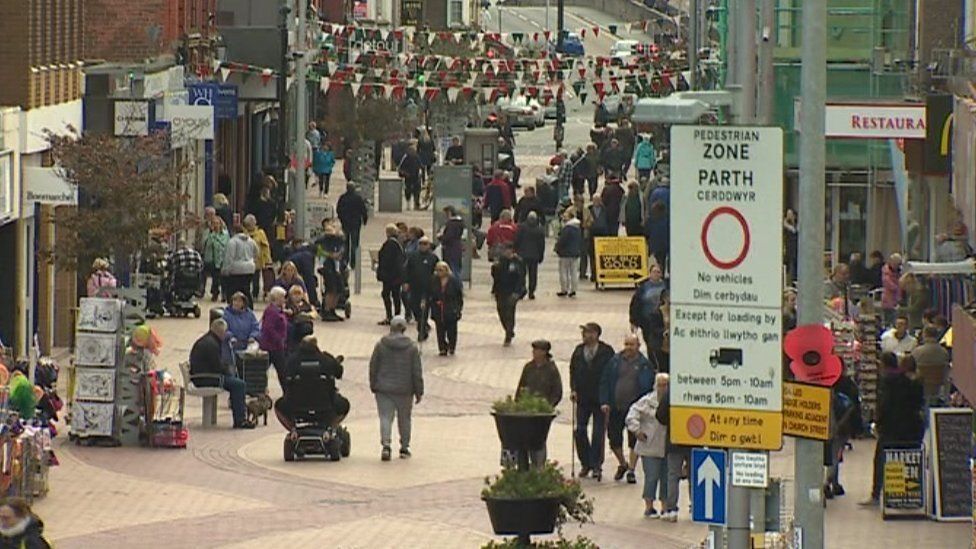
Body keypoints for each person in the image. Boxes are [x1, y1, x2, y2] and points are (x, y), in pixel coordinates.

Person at [859, 352, 925, 506]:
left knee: (881, 459)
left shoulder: (887, 382)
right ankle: (907, 495)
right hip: (912, 429)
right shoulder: (915, 383)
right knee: (908, 460)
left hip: (890, 428)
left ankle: (876, 494)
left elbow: (884, 406)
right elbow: (919, 404)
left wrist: (877, 422)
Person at [600, 334, 654, 484]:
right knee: (614, 439)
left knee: (634, 440)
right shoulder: (615, 361)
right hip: (616, 406)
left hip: (635, 409)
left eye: (632, 344)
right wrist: (604, 401)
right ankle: (622, 463)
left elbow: (649, 386)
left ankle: (631, 469)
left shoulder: (644, 364)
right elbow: (604, 381)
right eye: (626, 344)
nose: (628, 348)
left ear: (638, 345)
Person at [369, 316, 424, 461]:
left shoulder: (381, 345)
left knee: (385, 417)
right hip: (405, 389)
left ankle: (386, 445)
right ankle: (404, 448)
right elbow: (416, 371)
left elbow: (373, 366)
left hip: (384, 388)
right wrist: (419, 391)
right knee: (404, 419)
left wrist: (373, 384)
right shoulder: (412, 348)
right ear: (404, 329)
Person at [274, 335, 348, 436]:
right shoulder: (326, 359)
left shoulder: (292, 361)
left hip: (296, 407)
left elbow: (285, 376)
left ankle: (293, 429)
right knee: (345, 405)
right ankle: (331, 427)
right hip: (326, 407)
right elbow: (339, 372)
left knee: (278, 406)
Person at [570, 322, 615, 481]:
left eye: (589, 332)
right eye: (584, 333)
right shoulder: (578, 351)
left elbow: (611, 375)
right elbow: (573, 372)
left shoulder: (606, 351)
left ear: (596, 334)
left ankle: (596, 465)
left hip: (600, 399)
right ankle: (585, 462)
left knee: (598, 433)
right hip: (583, 398)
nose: (586, 336)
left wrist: (609, 397)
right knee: (580, 430)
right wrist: (573, 389)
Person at [189, 318, 253, 429]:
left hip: (201, 376)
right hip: (206, 378)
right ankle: (240, 420)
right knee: (239, 385)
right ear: (221, 332)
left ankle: (240, 417)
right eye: (225, 332)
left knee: (235, 382)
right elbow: (217, 366)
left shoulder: (208, 340)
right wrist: (228, 370)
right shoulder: (212, 344)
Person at [626, 373, 669, 518]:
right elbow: (631, 416)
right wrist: (637, 431)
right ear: (655, 385)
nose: (663, 388)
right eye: (661, 384)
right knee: (651, 477)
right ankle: (649, 507)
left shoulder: (673, 401)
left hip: (667, 447)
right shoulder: (646, 401)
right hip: (649, 447)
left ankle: (665, 507)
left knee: (666, 478)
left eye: (666, 384)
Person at [513, 340, 563, 464]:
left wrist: (548, 406)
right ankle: (524, 465)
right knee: (524, 438)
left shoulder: (551, 369)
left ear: (545, 352)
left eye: (538, 350)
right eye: (534, 350)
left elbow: (557, 391)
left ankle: (539, 465)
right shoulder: (529, 367)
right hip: (526, 409)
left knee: (539, 439)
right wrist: (517, 404)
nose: (535, 353)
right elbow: (521, 387)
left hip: (542, 412)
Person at [404, 236, 438, 341]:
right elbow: (406, 269)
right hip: (414, 287)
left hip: (427, 289)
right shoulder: (412, 256)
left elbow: (436, 272)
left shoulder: (433, 258)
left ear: (429, 245)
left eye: (425, 244)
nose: (423, 246)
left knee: (424, 310)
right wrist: (406, 282)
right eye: (421, 244)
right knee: (413, 305)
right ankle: (421, 323)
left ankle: (422, 331)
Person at [491, 243, 526, 346]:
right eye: (505, 250)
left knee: (510, 312)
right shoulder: (500, 261)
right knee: (501, 311)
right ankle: (508, 329)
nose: (507, 252)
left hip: (512, 291)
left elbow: (521, 277)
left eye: (509, 250)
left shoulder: (517, 261)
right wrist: (495, 267)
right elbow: (495, 276)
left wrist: (518, 291)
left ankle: (508, 334)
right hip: (500, 291)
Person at [429, 261, 464, 356]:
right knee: (440, 330)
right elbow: (430, 293)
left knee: (451, 330)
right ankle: (442, 348)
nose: (439, 272)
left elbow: (459, 296)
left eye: (441, 270)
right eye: (437, 270)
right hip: (438, 308)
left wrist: (458, 308)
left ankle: (452, 346)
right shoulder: (434, 280)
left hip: (450, 308)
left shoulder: (453, 281)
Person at [629, 265, 667, 352]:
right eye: (654, 272)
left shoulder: (666, 286)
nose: (656, 274)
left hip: (663, 322)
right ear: (650, 273)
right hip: (647, 322)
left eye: (658, 272)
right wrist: (633, 322)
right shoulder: (643, 288)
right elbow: (635, 305)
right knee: (650, 345)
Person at [315, 221, 347, 322]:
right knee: (331, 289)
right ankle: (327, 310)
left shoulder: (339, 239)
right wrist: (330, 255)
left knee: (339, 289)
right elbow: (318, 250)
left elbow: (342, 247)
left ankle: (332, 309)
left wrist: (340, 253)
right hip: (327, 265)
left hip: (337, 264)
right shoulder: (323, 239)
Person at [911, 326, 951, 405]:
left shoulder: (917, 352)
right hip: (938, 387)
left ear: (924, 335)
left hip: (921, 387)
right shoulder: (944, 353)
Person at [222, 224, 258, 308]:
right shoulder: (251, 241)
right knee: (246, 289)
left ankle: (233, 307)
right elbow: (256, 252)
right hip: (250, 269)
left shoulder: (232, 242)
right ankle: (249, 306)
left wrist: (225, 270)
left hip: (236, 270)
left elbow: (229, 257)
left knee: (233, 290)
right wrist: (251, 260)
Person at [221, 291, 261, 365]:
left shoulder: (250, 314)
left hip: (247, 345)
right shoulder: (227, 314)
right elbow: (224, 329)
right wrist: (231, 336)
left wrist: (252, 336)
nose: (236, 303)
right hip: (232, 346)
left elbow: (256, 327)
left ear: (243, 303)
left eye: (239, 301)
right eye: (234, 300)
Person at [377, 224, 406, 325]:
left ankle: (391, 316)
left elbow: (387, 260)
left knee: (388, 294)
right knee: (395, 295)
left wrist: (382, 272)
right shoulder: (398, 244)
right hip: (395, 275)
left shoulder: (390, 244)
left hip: (390, 276)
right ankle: (396, 315)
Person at [260, 286, 289, 387]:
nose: (284, 299)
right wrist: (279, 339)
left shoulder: (278, 310)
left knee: (281, 371)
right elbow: (268, 328)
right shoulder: (272, 311)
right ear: (276, 297)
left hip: (277, 346)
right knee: (282, 372)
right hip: (272, 347)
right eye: (282, 297)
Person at [514, 212, 546, 300]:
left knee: (521, 274)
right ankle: (531, 291)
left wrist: (515, 250)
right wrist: (541, 255)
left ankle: (522, 289)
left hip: (522, 254)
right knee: (533, 274)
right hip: (534, 256)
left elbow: (517, 240)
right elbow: (541, 245)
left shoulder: (522, 227)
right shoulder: (539, 229)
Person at [336, 183, 368, 264]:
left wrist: (341, 218)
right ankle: (353, 261)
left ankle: (345, 259)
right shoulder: (358, 198)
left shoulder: (343, 198)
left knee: (345, 242)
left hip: (345, 222)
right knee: (355, 242)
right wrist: (365, 219)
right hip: (355, 223)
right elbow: (363, 209)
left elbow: (338, 209)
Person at [243, 214, 273, 301]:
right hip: (247, 259)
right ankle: (248, 293)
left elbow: (265, 246)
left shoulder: (260, 233)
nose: (250, 226)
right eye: (248, 224)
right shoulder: (244, 233)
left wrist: (268, 258)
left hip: (258, 260)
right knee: (248, 278)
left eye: (251, 224)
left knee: (257, 278)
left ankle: (256, 294)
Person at [201, 217, 229, 301]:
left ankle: (224, 294)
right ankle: (215, 293)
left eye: (217, 223)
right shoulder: (208, 233)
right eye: (214, 223)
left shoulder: (225, 234)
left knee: (224, 278)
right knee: (215, 277)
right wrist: (211, 233)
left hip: (222, 258)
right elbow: (205, 244)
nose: (216, 225)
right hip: (212, 258)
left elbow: (227, 244)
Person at [555, 213, 583, 297]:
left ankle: (564, 289)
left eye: (565, 216)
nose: (564, 218)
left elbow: (562, 241)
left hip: (565, 254)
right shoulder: (578, 228)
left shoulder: (567, 229)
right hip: (575, 253)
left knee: (563, 272)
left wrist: (557, 248)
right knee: (574, 272)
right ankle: (573, 289)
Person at [586, 195, 611, 280]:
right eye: (595, 200)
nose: (596, 202)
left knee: (601, 256)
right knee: (592, 255)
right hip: (592, 235)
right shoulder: (589, 210)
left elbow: (608, 221)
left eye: (598, 200)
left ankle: (602, 273)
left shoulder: (605, 210)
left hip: (603, 235)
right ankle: (594, 274)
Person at [646, 290, 670, 372]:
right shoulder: (656, 313)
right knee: (663, 369)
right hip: (661, 345)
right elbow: (653, 328)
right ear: (664, 299)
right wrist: (664, 332)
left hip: (675, 346)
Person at [439, 206, 465, 279]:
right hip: (457, 248)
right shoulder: (460, 222)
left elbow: (448, 236)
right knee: (456, 269)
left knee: (453, 270)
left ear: (449, 213)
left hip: (451, 249)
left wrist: (441, 237)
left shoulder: (451, 224)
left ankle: (456, 286)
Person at [398, 144, 423, 210]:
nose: (412, 151)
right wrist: (404, 173)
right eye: (411, 150)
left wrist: (420, 174)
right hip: (408, 177)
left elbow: (421, 166)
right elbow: (400, 168)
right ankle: (408, 204)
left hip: (416, 177)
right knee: (408, 190)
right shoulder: (406, 158)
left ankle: (416, 204)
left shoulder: (417, 157)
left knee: (417, 191)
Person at [881, 253, 903, 325]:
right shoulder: (886, 272)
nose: (897, 266)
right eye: (896, 264)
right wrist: (899, 286)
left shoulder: (899, 272)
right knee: (889, 321)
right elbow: (889, 284)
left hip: (898, 300)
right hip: (888, 301)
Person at [783, 208, 799, 284]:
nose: (789, 216)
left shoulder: (797, 225)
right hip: (789, 249)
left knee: (795, 267)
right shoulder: (785, 225)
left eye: (790, 214)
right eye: (787, 214)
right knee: (789, 267)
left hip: (796, 250)